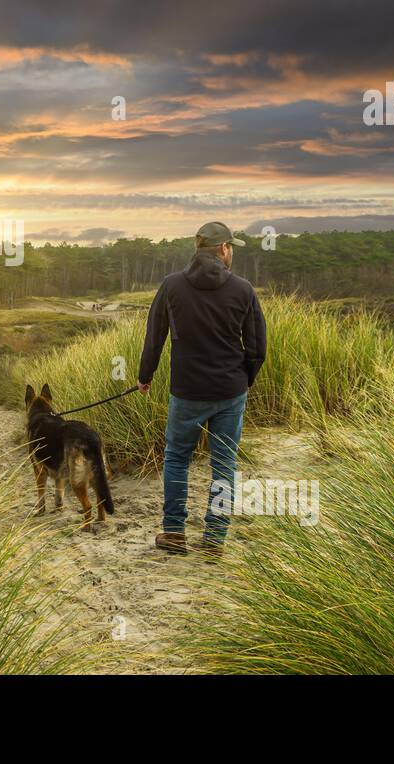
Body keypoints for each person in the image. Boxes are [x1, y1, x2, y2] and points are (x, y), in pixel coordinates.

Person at [137, 221, 267, 556]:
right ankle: (215, 539)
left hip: (188, 390)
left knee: (177, 458)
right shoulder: (243, 289)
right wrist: (243, 379)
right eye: (231, 247)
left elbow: (155, 336)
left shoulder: (172, 286)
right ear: (224, 249)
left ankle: (175, 533)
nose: (231, 252)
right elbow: (257, 348)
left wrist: (145, 375)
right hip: (230, 390)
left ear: (198, 249)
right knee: (223, 464)